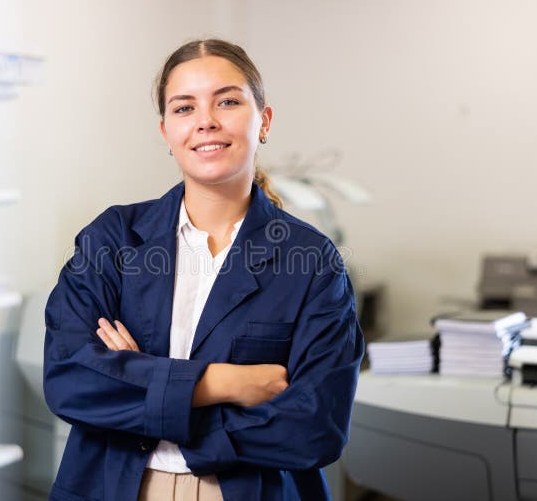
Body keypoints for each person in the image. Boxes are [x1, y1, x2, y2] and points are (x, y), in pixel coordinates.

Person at [43, 38, 364, 501]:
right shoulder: (113, 239)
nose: (205, 121)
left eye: (228, 101)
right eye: (184, 107)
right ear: (166, 131)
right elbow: (72, 380)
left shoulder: (311, 261)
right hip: (115, 485)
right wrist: (227, 382)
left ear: (264, 120)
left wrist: (139, 375)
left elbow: (314, 426)